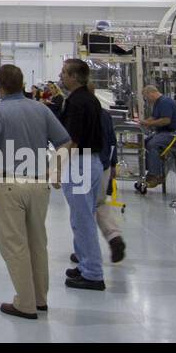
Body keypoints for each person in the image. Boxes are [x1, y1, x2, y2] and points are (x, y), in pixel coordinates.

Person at [0, 63, 73, 319]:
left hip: (10, 184)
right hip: (40, 183)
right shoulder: (40, 109)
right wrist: (55, 172)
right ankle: (41, 299)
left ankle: (25, 302)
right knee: (37, 242)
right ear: (22, 84)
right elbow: (65, 141)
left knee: (14, 244)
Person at [58, 58, 107, 291]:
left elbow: (72, 141)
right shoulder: (90, 99)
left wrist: (56, 168)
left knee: (83, 219)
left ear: (74, 77)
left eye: (64, 73)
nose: (61, 76)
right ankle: (84, 262)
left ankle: (93, 273)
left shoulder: (77, 102)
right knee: (81, 216)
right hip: (92, 161)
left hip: (80, 164)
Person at [93, 105, 126, 263]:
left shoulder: (79, 111)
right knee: (99, 204)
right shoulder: (105, 114)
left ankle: (83, 250)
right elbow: (112, 139)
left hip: (87, 164)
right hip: (105, 163)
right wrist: (113, 164)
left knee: (83, 209)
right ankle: (114, 236)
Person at [140, 84, 176, 187]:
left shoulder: (165, 102)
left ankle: (155, 175)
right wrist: (143, 122)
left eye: (146, 98)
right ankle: (151, 169)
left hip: (172, 134)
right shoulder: (158, 103)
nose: (147, 101)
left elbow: (166, 120)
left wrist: (149, 124)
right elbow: (154, 117)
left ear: (151, 93)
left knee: (153, 144)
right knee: (145, 142)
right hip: (163, 133)